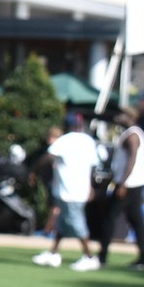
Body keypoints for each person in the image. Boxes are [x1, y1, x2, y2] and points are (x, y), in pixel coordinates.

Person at [36, 114, 102, 271]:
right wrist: (91, 186)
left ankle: (89, 257)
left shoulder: (65, 140)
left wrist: (33, 170)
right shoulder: (88, 140)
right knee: (63, 223)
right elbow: (93, 167)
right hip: (79, 188)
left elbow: (49, 156)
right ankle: (53, 253)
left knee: (76, 224)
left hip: (69, 189)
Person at [100, 109, 144, 270]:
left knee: (110, 218)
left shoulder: (133, 135)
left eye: (121, 114)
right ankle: (143, 258)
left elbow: (132, 160)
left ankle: (102, 256)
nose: (117, 117)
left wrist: (122, 183)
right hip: (131, 183)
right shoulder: (130, 133)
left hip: (129, 184)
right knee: (136, 220)